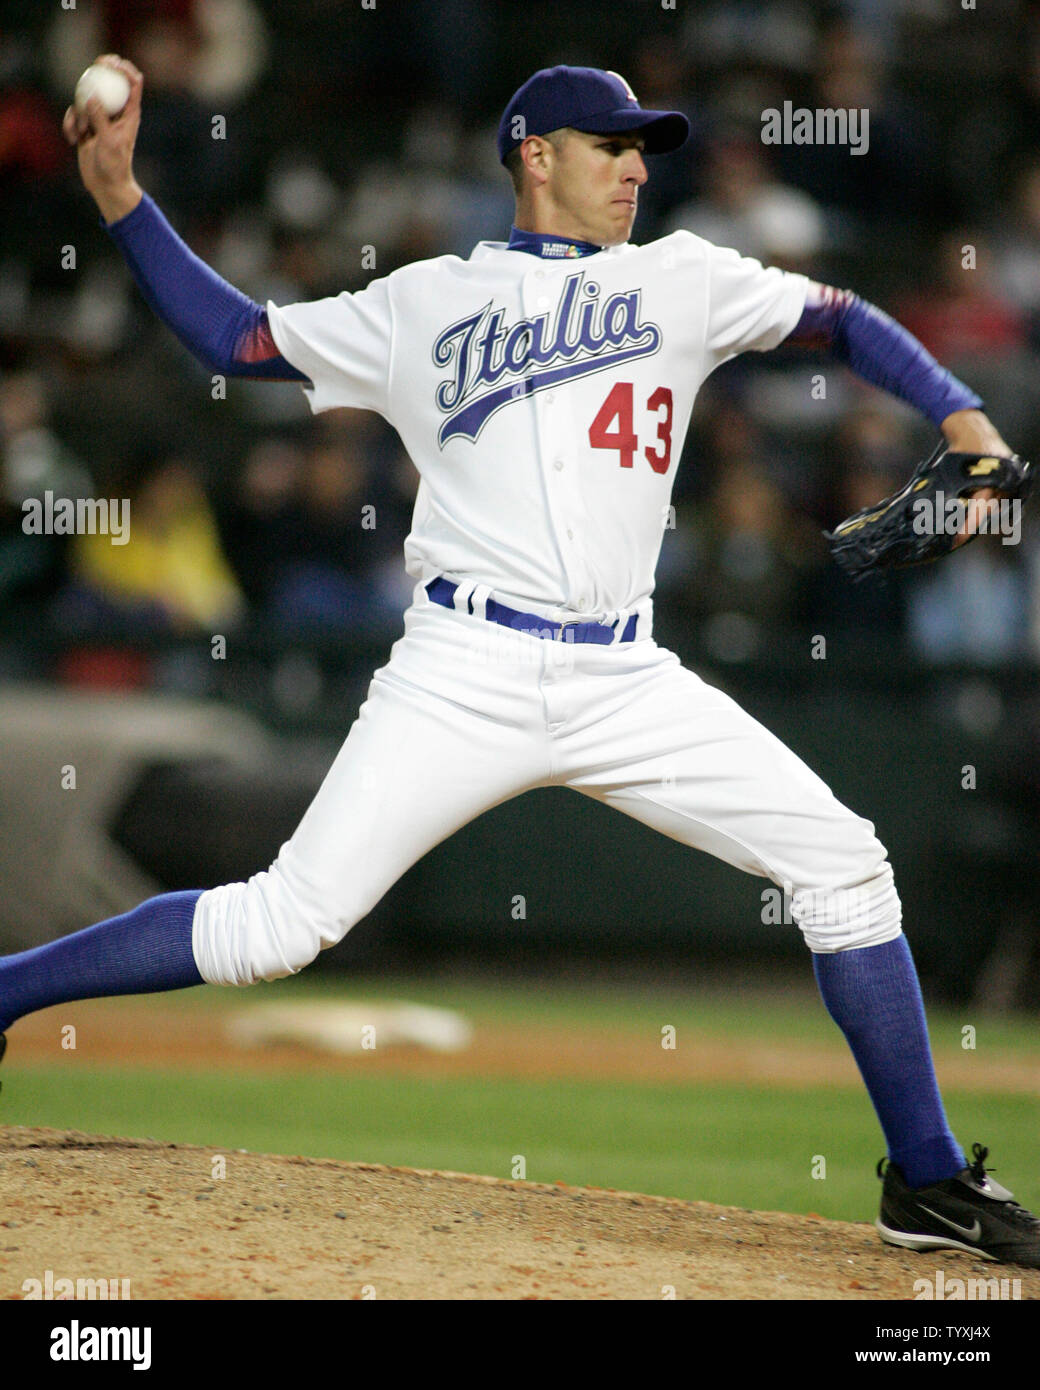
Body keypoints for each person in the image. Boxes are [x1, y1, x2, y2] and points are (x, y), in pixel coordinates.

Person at [1, 57, 1037, 1269]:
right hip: (463, 667)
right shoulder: (424, 302)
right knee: (279, 925)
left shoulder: (683, 279)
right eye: (611, 148)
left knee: (845, 864)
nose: (637, 170)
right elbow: (234, 335)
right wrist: (123, 201)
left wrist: (961, 415)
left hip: (624, 676)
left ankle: (922, 1184)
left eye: (643, 150)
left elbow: (840, 319)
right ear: (533, 155)